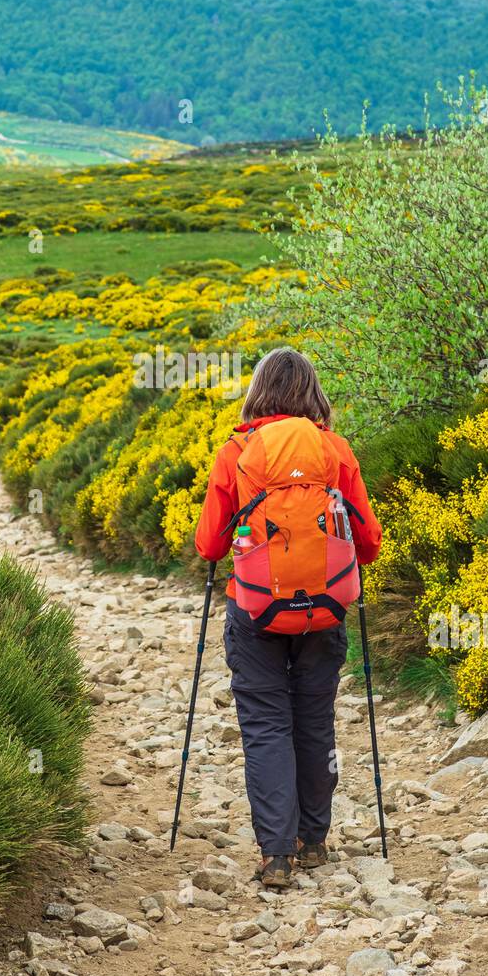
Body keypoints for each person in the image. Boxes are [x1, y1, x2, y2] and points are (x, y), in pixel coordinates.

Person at [194, 347, 382, 888]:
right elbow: (367, 544)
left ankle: (276, 855)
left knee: (265, 724)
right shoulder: (335, 451)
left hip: (255, 608)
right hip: (325, 610)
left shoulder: (237, 452)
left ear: (258, 393)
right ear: (312, 394)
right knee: (314, 718)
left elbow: (209, 543)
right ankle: (315, 840)